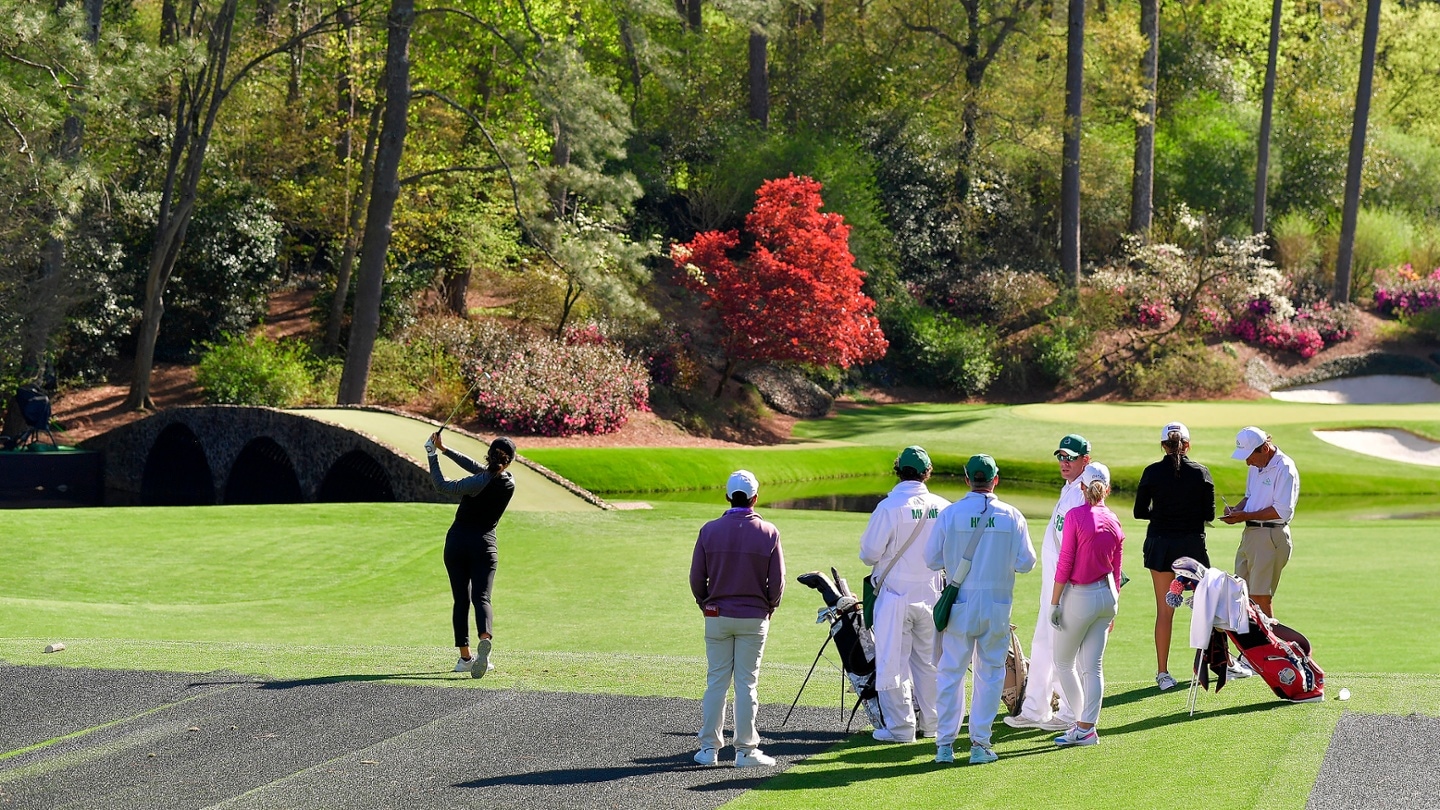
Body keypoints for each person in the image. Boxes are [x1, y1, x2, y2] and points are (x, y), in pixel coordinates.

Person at [925, 455, 1036, 765]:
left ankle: (945, 745)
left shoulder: (950, 514)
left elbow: (931, 559)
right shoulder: (1012, 515)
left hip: (960, 602)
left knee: (950, 674)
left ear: (967, 480)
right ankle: (979, 744)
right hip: (996, 605)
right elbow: (1026, 563)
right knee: (989, 674)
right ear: (995, 480)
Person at [689, 470, 786, 768]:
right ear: (755, 498)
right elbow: (777, 583)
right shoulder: (769, 532)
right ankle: (745, 751)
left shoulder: (709, 530)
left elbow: (697, 579)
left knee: (716, 681)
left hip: (717, 614)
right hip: (754, 617)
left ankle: (709, 750)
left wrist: (705, 602)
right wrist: (769, 606)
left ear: (728, 496)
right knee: (746, 684)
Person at [858, 446, 951, 743]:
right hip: (932, 593)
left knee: (893, 662)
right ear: (927, 472)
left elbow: (869, 554)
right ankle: (933, 724)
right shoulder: (944, 505)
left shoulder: (888, 507)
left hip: (895, 595)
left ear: (899, 470)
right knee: (929, 662)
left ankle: (901, 728)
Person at [1005, 433, 1089, 731]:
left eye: (1071, 458)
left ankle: (1069, 713)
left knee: (1066, 651)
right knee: (1042, 645)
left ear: (1085, 460)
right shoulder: (1067, 490)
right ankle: (1035, 709)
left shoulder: (1081, 494)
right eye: (1061, 457)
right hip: (1051, 584)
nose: (1064, 463)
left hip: (1067, 587)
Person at [1133, 422, 1216, 691]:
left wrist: (1161, 514)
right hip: (1192, 548)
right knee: (1205, 608)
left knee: (1165, 612)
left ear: (1163, 446)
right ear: (1187, 445)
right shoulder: (1201, 473)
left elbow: (1139, 512)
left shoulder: (1152, 472)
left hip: (1160, 546)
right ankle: (1211, 665)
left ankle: (1162, 673)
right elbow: (1209, 515)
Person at [426, 431, 516, 679]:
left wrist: (432, 455)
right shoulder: (509, 481)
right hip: (484, 546)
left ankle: (465, 658)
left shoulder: (477, 482)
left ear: (489, 456)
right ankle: (484, 638)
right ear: (509, 460)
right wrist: (445, 449)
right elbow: (482, 469)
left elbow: (442, 485)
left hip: (456, 544)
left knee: (461, 601)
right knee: (482, 598)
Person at [1050, 462, 1123, 747]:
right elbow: (1117, 571)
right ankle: (1087, 727)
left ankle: (1081, 725)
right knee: (1093, 667)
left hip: (1080, 596)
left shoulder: (1075, 516)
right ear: (1107, 489)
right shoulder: (1115, 520)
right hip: (1107, 597)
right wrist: (1114, 607)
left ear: (1083, 486)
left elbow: (1065, 562)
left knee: (1064, 662)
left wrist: (1055, 602)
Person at [1222, 426, 1299, 619]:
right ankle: (1251, 648)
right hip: (1251, 534)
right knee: (1239, 594)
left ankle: (1273, 648)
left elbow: (1281, 511)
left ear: (1264, 449)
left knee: (1260, 597)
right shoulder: (1257, 467)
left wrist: (1245, 516)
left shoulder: (1285, 468)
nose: (1248, 462)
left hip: (1271, 535)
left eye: (1250, 456)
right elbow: (1250, 496)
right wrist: (1237, 510)